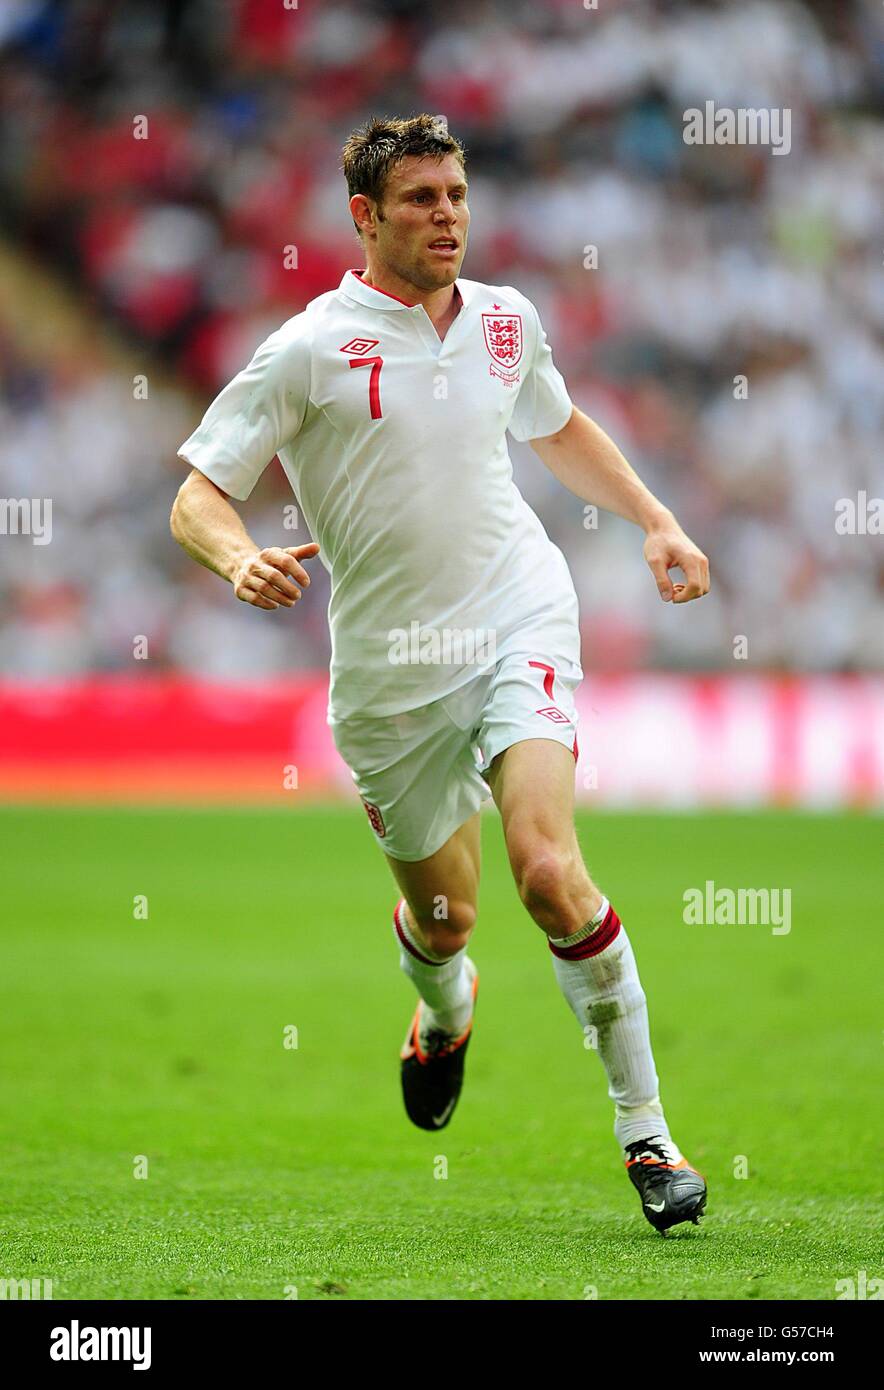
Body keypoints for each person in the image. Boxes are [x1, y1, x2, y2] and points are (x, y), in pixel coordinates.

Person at [171, 114, 711, 1234]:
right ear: (365, 218)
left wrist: (653, 519)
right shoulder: (309, 347)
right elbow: (195, 492)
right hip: (387, 680)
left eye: (456, 196)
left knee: (550, 875)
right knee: (448, 917)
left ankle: (645, 1131)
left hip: (518, 612)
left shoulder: (507, 323)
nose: (447, 217)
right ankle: (444, 1009)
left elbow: (555, 431)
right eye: (420, 200)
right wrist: (240, 558)